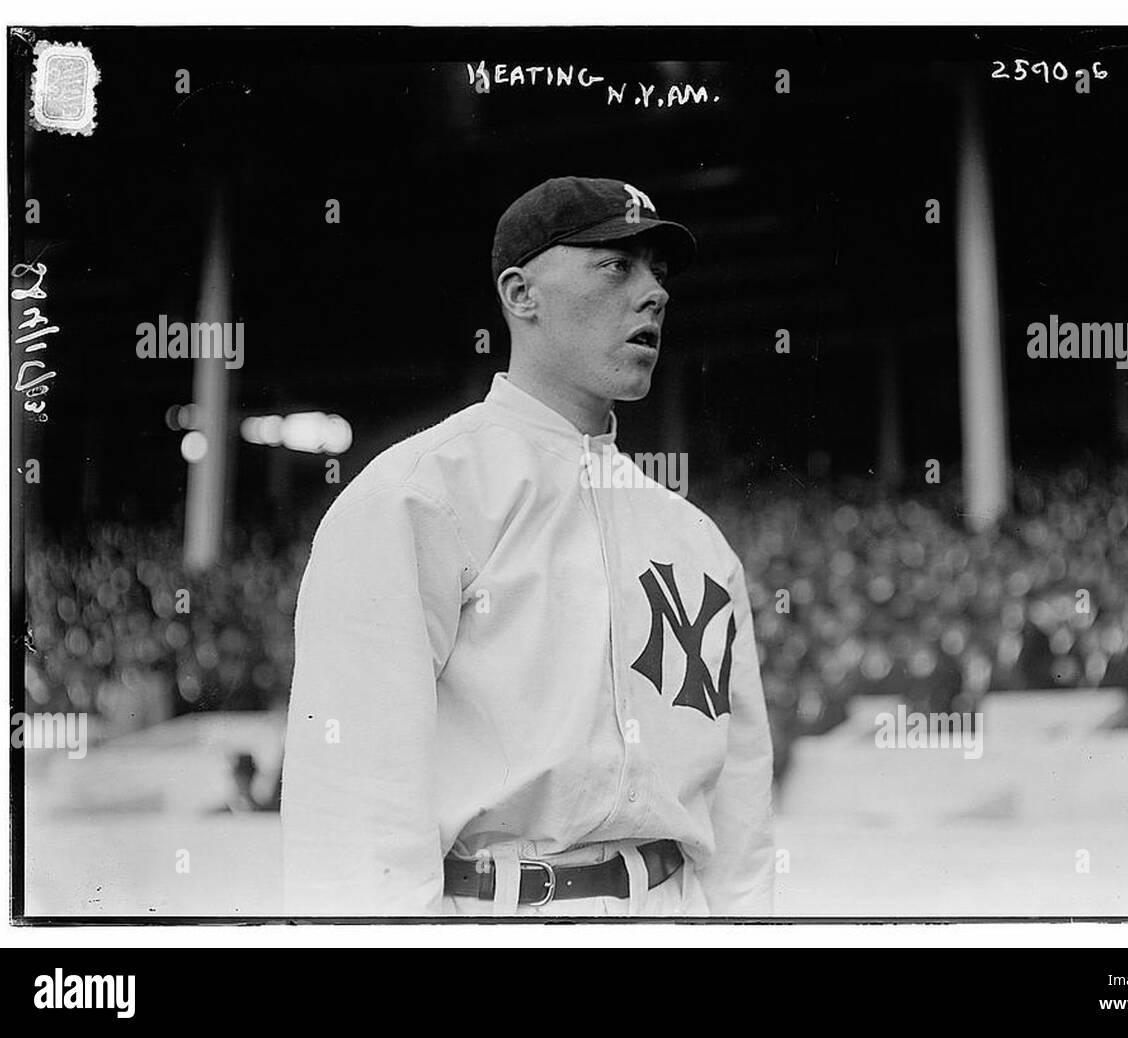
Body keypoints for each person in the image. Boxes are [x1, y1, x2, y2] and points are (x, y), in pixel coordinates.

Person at [281, 176, 775, 916]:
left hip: (675, 907)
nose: (654, 293)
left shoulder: (693, 536)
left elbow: (740, 804)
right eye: (616, 265)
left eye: (659, 273)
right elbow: (356, 802)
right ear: (521, 294)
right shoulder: (417, 496)